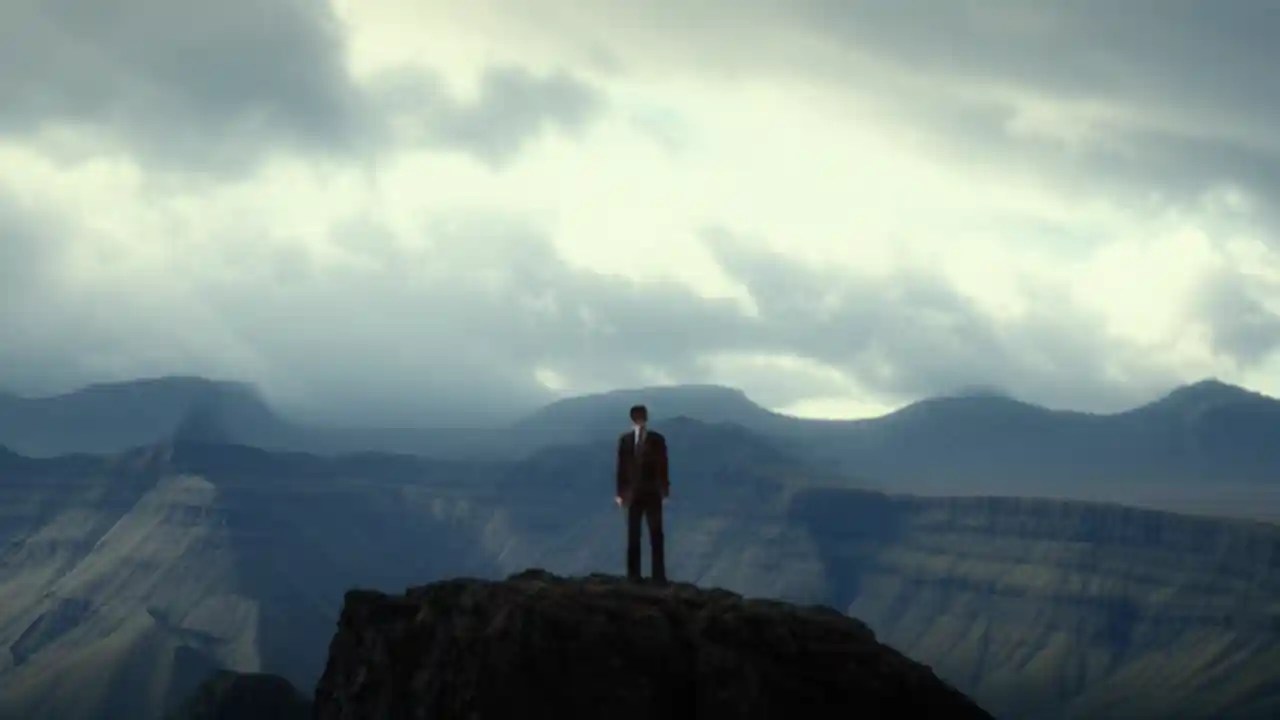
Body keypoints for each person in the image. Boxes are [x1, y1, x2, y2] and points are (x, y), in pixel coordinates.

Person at [615, 403, 669, 583]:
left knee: (656, 534)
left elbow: (663, 465)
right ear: (633, 418)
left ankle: (659, 576)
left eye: (642, 415)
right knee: (633, 535)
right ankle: (633, 575)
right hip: (633, 494)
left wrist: (664, 490)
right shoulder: (625, 440)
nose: (640, 419)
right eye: (637, 416)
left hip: (653, 493)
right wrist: (620, 493)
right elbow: (621, 469)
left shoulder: (657, 439)